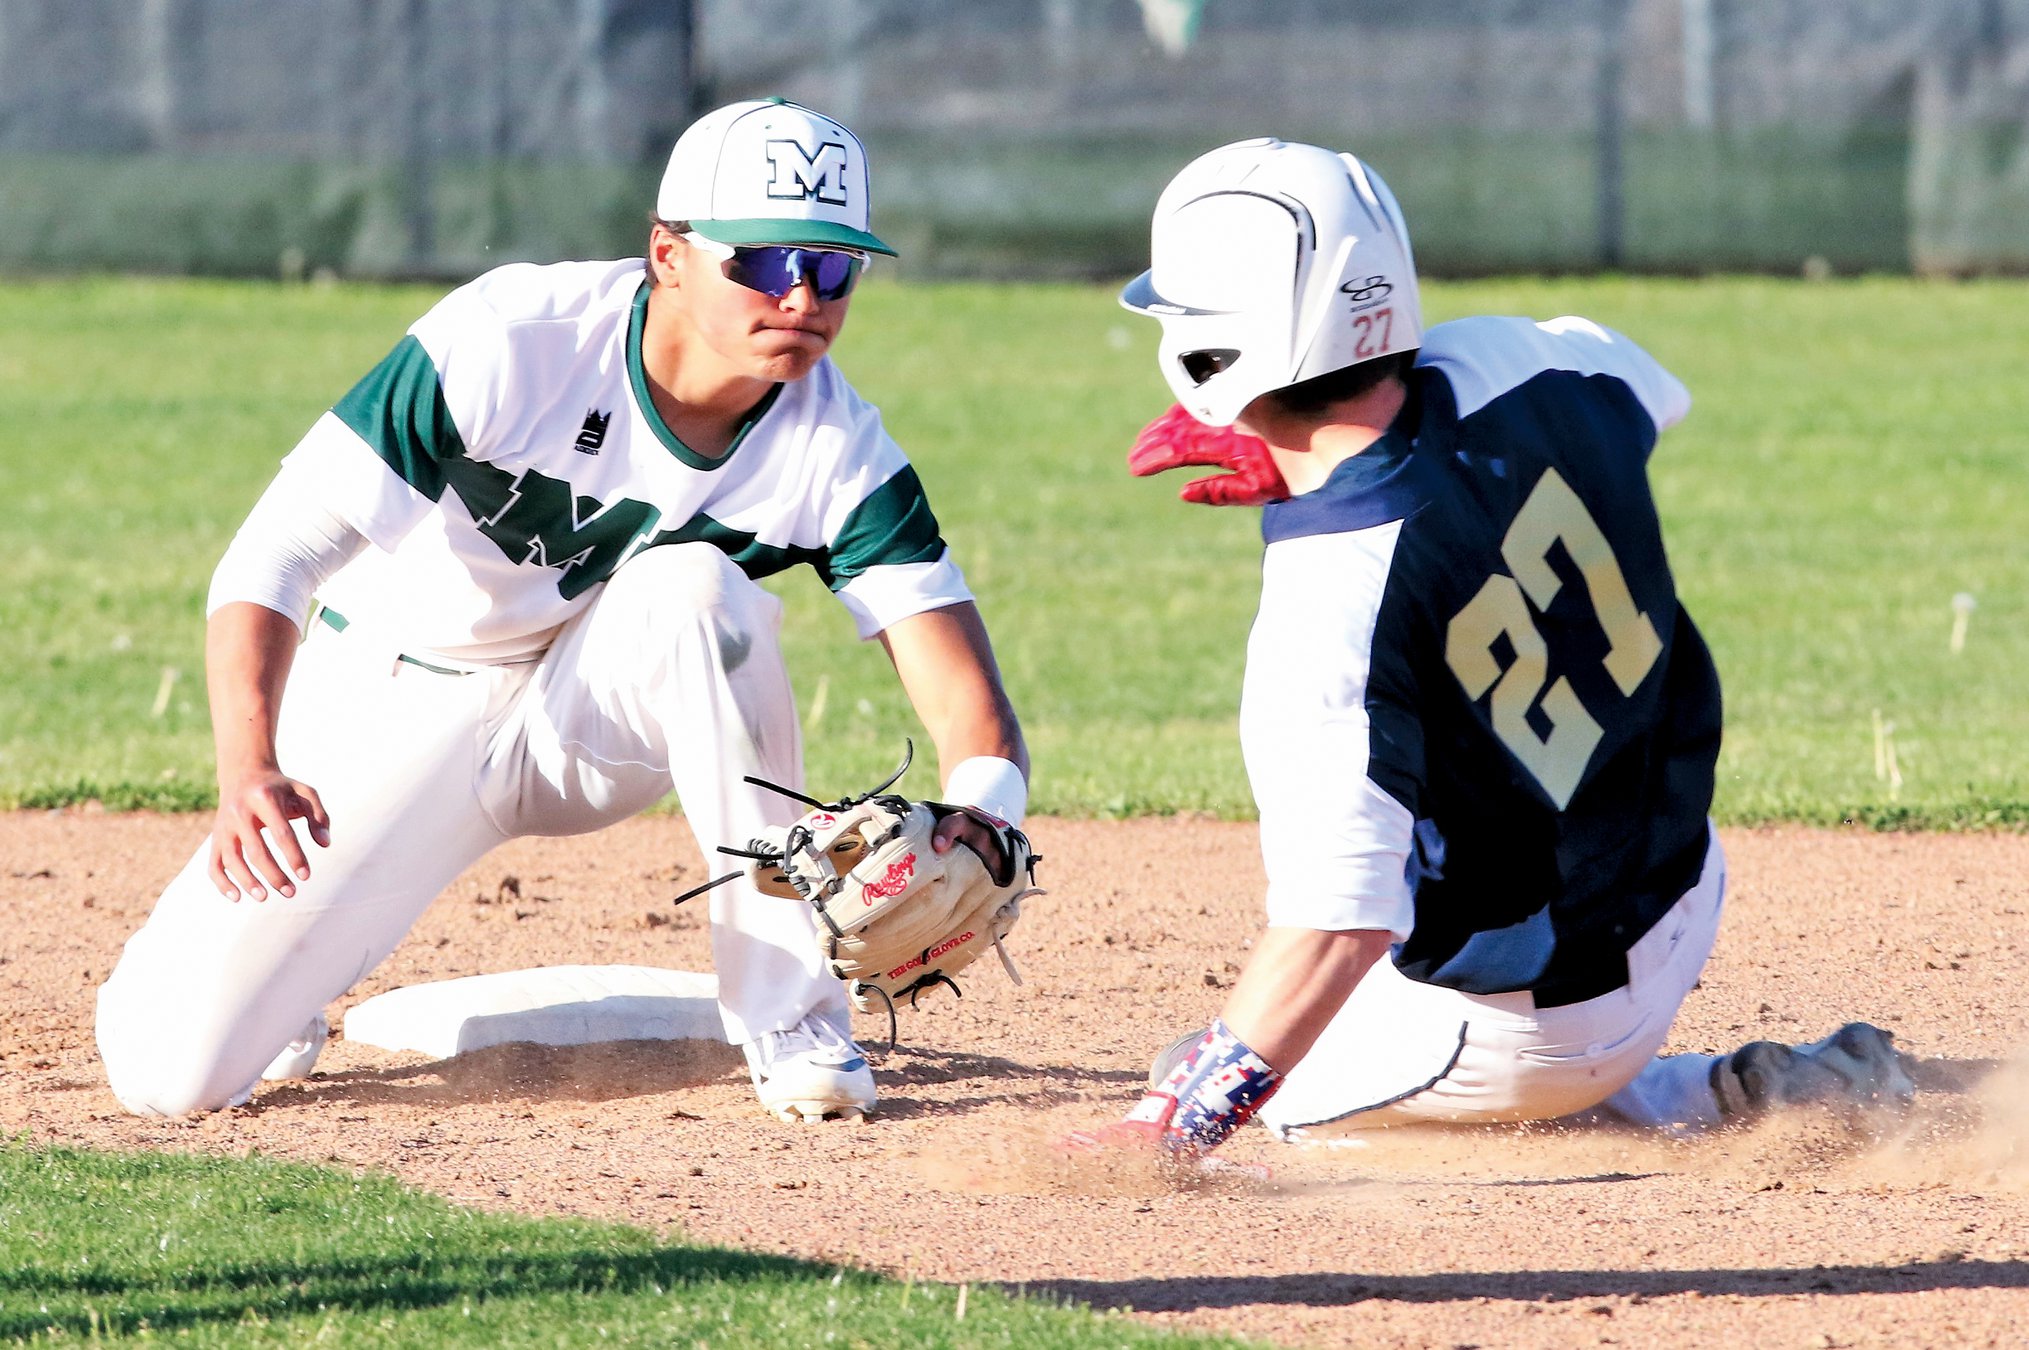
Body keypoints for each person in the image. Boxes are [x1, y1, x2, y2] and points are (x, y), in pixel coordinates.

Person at [95, 98, 1029, 1125]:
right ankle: (291, 976)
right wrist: (249, 768)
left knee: (699, 590)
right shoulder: (513, 338)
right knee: (167, 1077)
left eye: (835, 266)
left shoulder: (836, 447)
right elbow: (271, 558)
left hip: (584, 727)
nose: (803, 295)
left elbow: (965, 696)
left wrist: (988, 818)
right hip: (392, 699)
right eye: (762, 262)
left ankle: (790, 1014)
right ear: (667, 255)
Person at [1089, 137, 1910, 1163]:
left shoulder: (1324, 605)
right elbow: (1645, 390)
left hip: (1534, 1021)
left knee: (1227, 1081)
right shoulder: (1532, 359)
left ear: (1217, 351)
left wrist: (1165, 1132)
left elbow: (1336, 929)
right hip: (1681, 882)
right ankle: (1707, 1079)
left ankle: (1711, 1096)